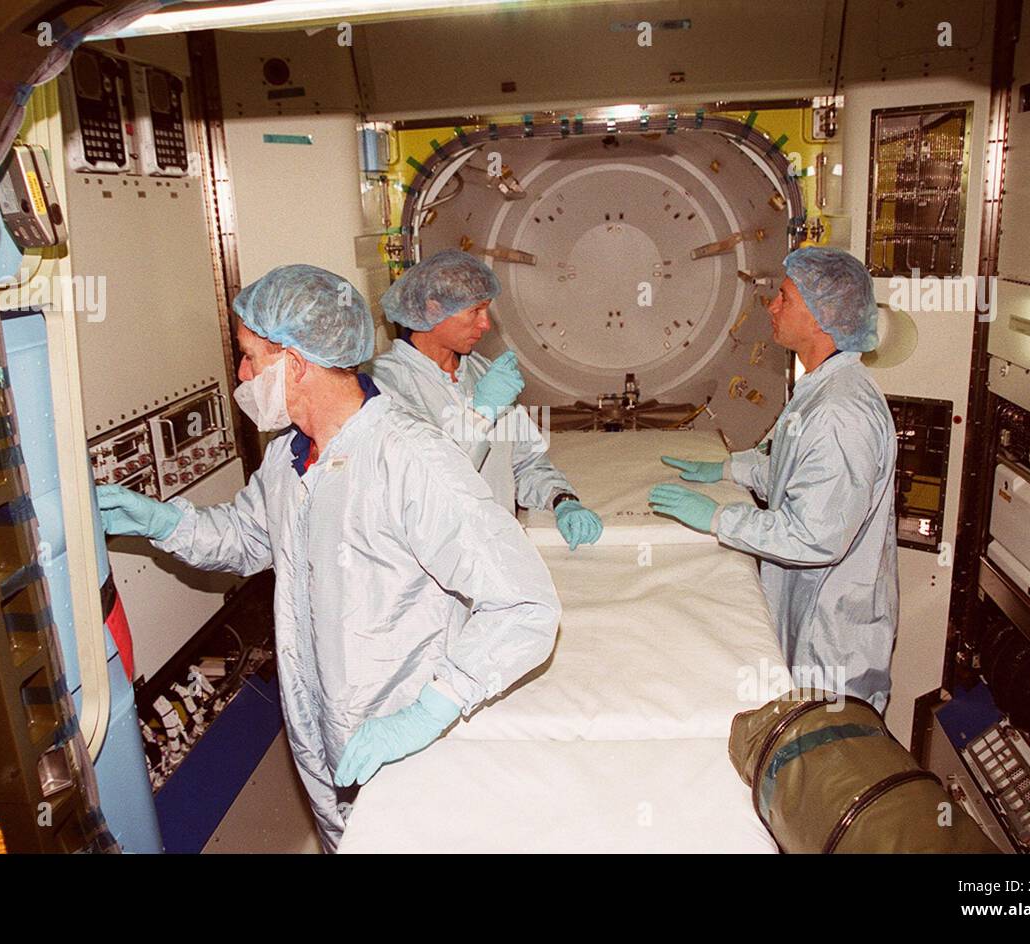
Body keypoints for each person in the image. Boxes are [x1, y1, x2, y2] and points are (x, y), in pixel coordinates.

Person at [96, 264, 561, 850]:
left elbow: (525, 604)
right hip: (318, 727)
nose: (240, 376)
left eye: (248, 357)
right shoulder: (290, 454)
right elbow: (247, 537)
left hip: (401, 737)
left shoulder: (407, 461)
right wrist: (163, 522)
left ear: (295, 362)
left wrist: (428, 712)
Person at [648, 247, 898, 712]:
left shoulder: (839, 413)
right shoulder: (822, 385)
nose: (772, 307)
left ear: (822, 317)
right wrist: (728, 469)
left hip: (832, 643)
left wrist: (720, 518)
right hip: (807, 614)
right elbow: (794, 470)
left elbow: (815, 536)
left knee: (826, 765)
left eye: (784, 298)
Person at [368, 249, 604, 550]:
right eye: (475, 312)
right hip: (436, 558)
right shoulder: (386, 384)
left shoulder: (482, 372)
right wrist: (481, 413)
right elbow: (433, 483)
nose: (485, 325)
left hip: (497, 547)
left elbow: (526, 462)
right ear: (431, 309)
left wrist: (561, 499)